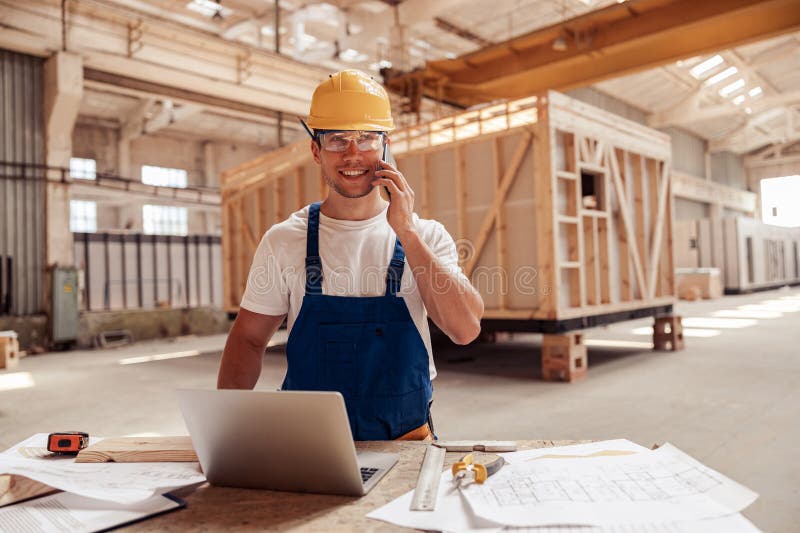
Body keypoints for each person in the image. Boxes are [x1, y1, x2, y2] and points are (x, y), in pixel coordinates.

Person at [217, 69, 484, 441]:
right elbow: (248, 339)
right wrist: (223, 432)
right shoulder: (284, 241)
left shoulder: (425, 236)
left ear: (385, 145)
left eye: (366, 139)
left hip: (407, 444)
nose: (353, 154)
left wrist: (405, 230)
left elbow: (466, 329)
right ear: (316, 150)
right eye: (338, 140)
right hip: (310, 447)